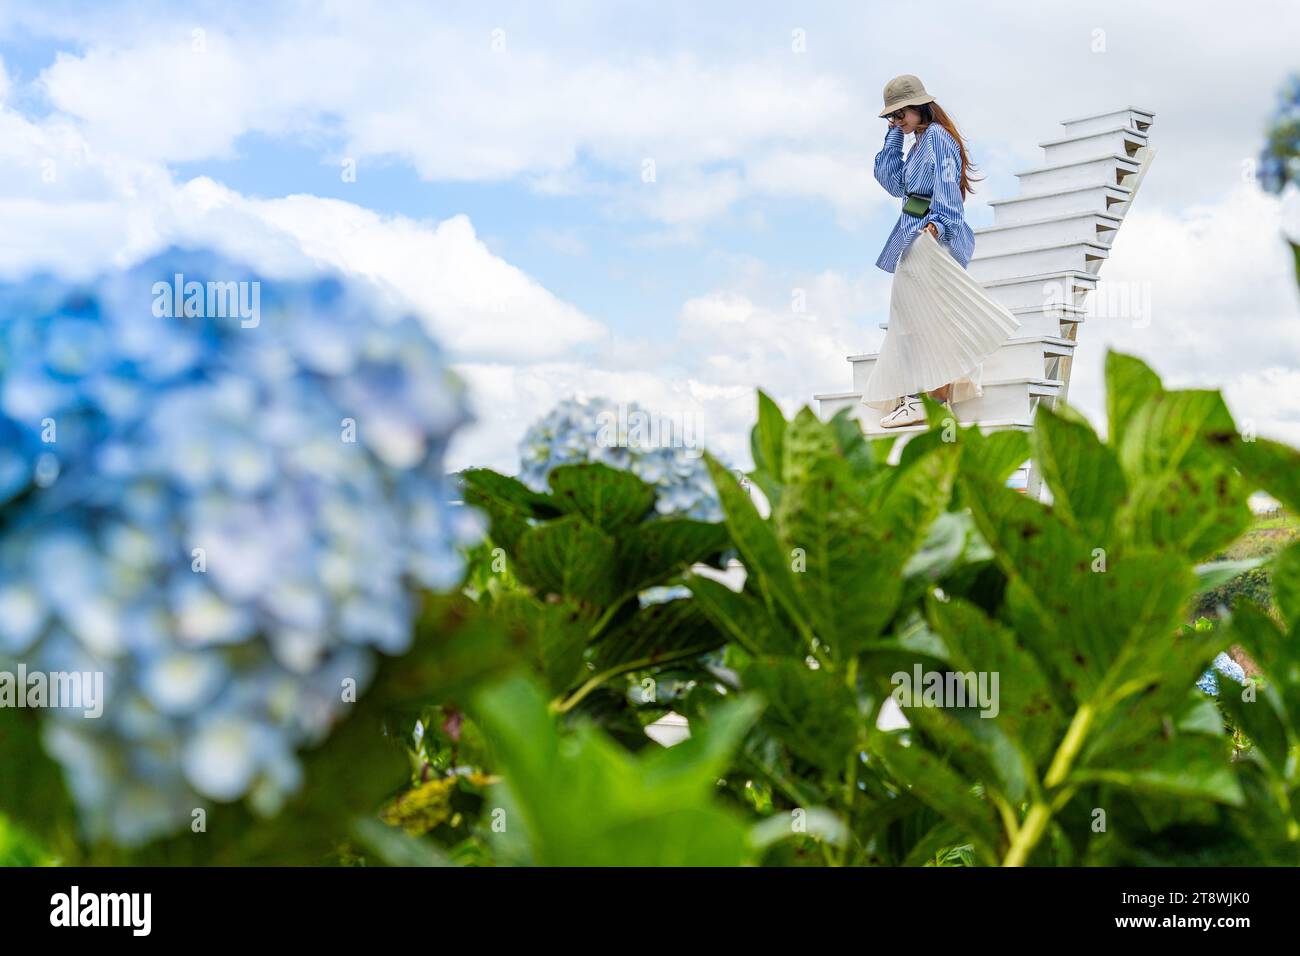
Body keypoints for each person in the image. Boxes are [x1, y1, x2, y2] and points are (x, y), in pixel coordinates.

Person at [863, 74, 1021, 428]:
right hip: (914, 230)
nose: (897, 120)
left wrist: (938, 226)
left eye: (901, 112)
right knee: (920, 317)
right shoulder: (918, 140)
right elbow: (892, 182)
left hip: (930, 232)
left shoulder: (936, 137)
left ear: (921, 106)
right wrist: (894, 135)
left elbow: (947, 185)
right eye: (892, 116)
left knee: (928, 317)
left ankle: (931, 400)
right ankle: (933, 401)